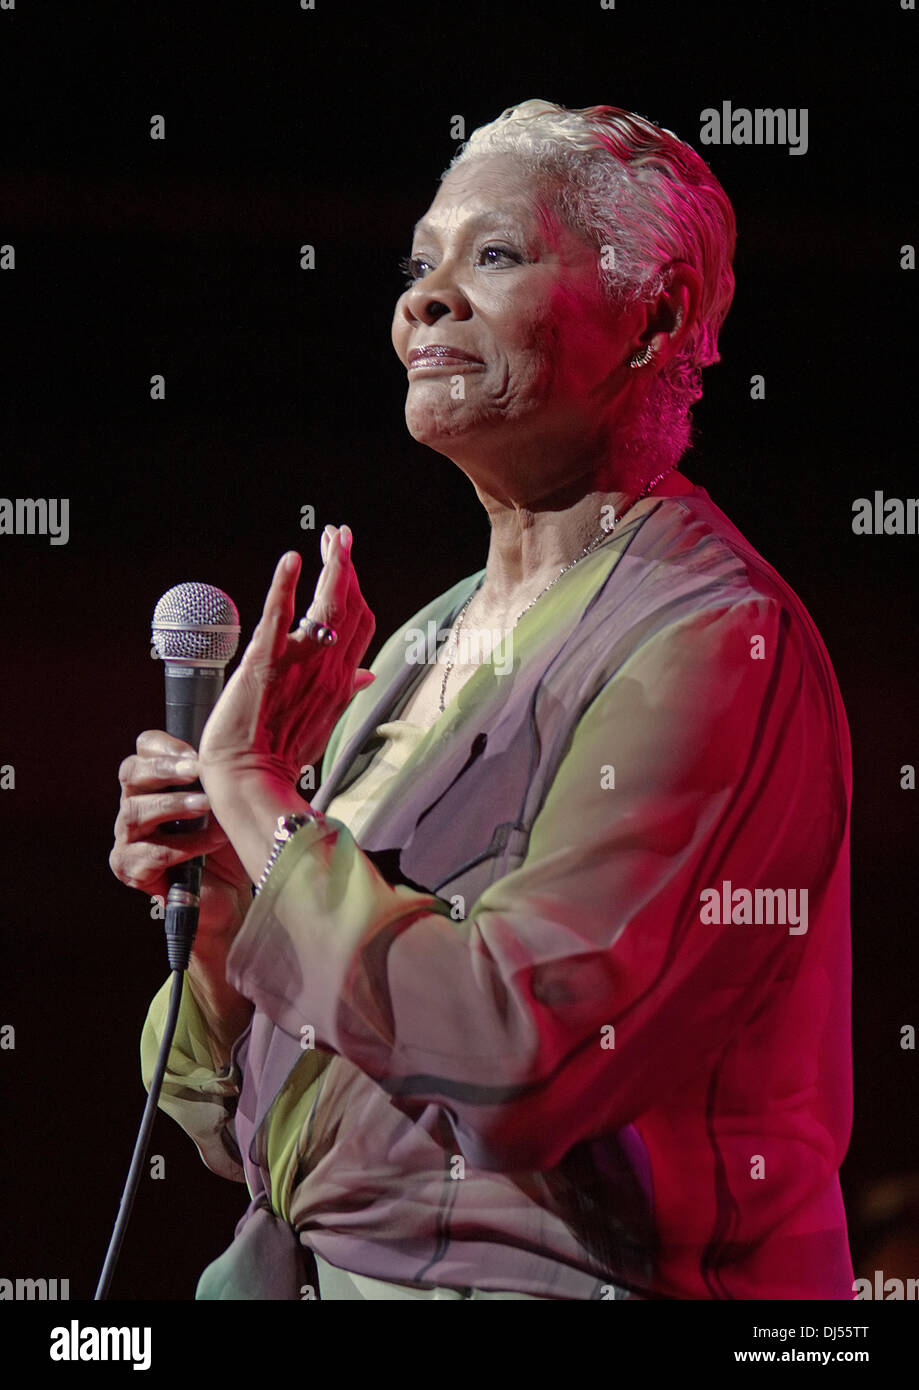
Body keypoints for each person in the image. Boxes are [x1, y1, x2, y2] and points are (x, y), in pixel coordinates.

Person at [110, 99, 855, 1300]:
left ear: (655, 315)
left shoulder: (713, 641)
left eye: (493, 256)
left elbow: (518, 1058)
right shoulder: (420, 644)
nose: (424, 299)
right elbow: (237, 1118)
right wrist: (226, 895)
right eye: (419, 264)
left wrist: (258, 797)